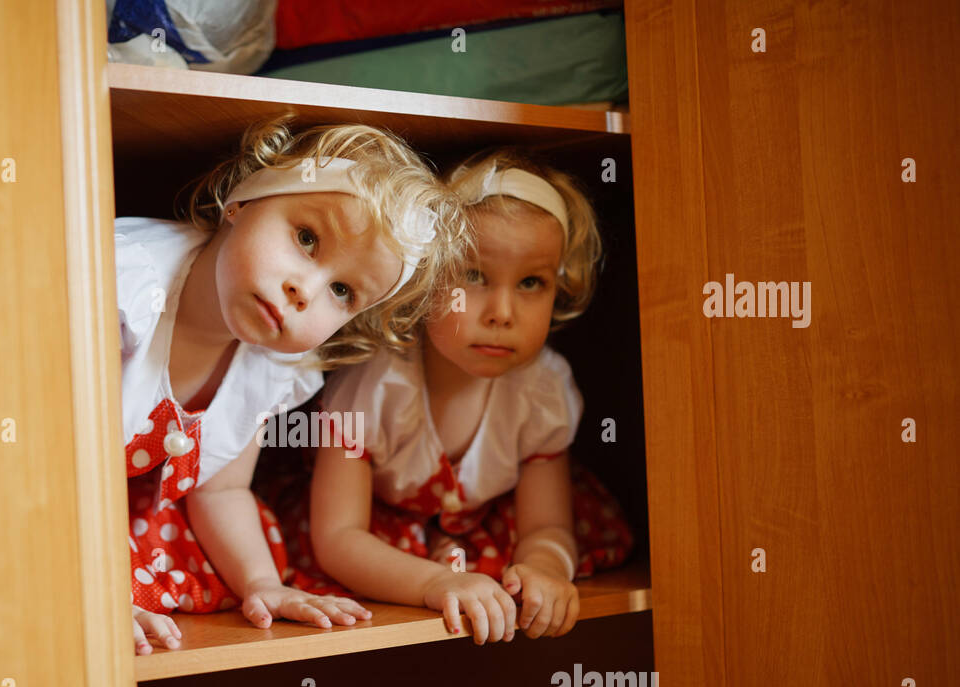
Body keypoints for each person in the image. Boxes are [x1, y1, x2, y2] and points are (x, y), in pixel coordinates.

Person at [117, 114, 468, 654]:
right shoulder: (128, 289)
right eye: (307, 238)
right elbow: (54, 467)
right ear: (242, 200)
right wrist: (98, 585)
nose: (304, 290)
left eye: (344, 292)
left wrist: (262, 584)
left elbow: (222, 488)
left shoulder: (275, 367)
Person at [305, 146, 629, 645]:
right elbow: (338, 538)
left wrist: (544, 568)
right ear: (427, 277)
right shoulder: (375, 384)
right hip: (381, 543)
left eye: (530, 282)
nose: (502, 312)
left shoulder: (541, 388)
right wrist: (436, 582)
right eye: (473, 276)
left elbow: (546, 525)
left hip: (487, 529)